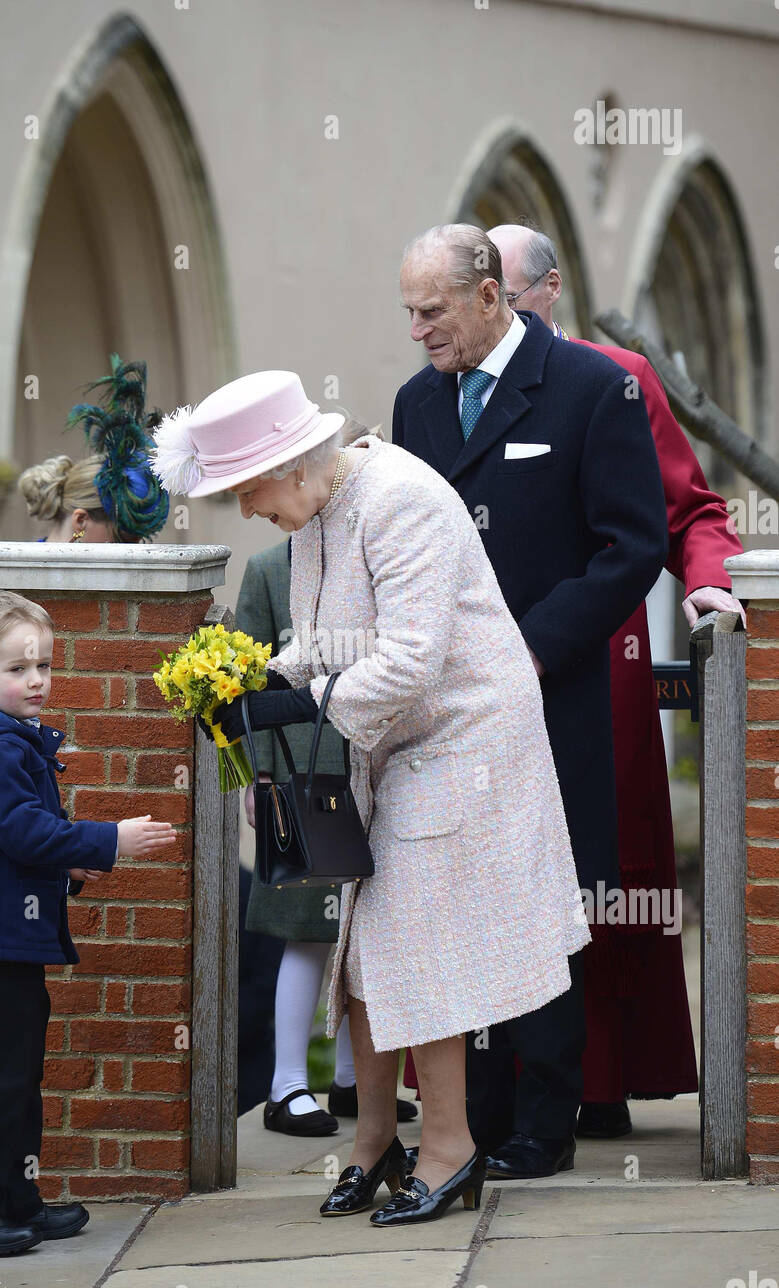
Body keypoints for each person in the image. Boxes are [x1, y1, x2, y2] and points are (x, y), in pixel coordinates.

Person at [151, 368, 588, 1226]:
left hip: (464, 739)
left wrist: (289, 703)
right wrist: (245, 685)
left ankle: (450, 1150)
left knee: (415, 941)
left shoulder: (402, 500)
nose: (246, 511)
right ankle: (376, 1141)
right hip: (391, 740)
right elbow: (321, 646)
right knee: (357, 941)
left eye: (246, 490)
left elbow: (411, 660)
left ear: (293, 464)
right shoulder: (320, 507)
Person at [392, 224, 668, 1180]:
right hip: (442, 714)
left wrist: (525, 649)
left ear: (487, 295)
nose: (419, 331)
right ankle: (470, 1123)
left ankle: (541, 1126)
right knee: (456, 900)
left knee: (541, 904)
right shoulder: (414, 404)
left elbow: (632, 546)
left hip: (550, 700)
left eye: (432, 312)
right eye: (409, 313)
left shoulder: (593, 388)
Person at [486, 223, 744, 1137]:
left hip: (598, 665)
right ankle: (485, 1092)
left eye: (505, 299)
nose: (490, 321)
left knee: (604, 870)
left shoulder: (615, 379)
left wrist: (710, 583)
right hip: (478, 683)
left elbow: (689, 512)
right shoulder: (443, 389)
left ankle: (598, 1078)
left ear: (546, 292)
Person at [0, 590, 175, 1256]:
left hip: (7, 933)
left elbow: (7, 846)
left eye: (44, 666)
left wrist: (68, 871)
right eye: (17, 669)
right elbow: (24, 831)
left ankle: (14, 1198)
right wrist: (105, 840)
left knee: (15, 1072)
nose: (36, 681)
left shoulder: (3, 740)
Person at [236, 512, 418, 1135]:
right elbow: (247, 686)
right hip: (296, 770)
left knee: (370, 929)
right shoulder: (266, 569)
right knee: (307, 927)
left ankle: (352, 1083)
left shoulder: (382, 559)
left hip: (377, 766)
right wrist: (259, 777)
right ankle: (286, 1085)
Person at [18, 355, 170, 544]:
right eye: (121, 541)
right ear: (80, 521)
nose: (133, 554)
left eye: (137, 542)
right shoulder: (17, 573)